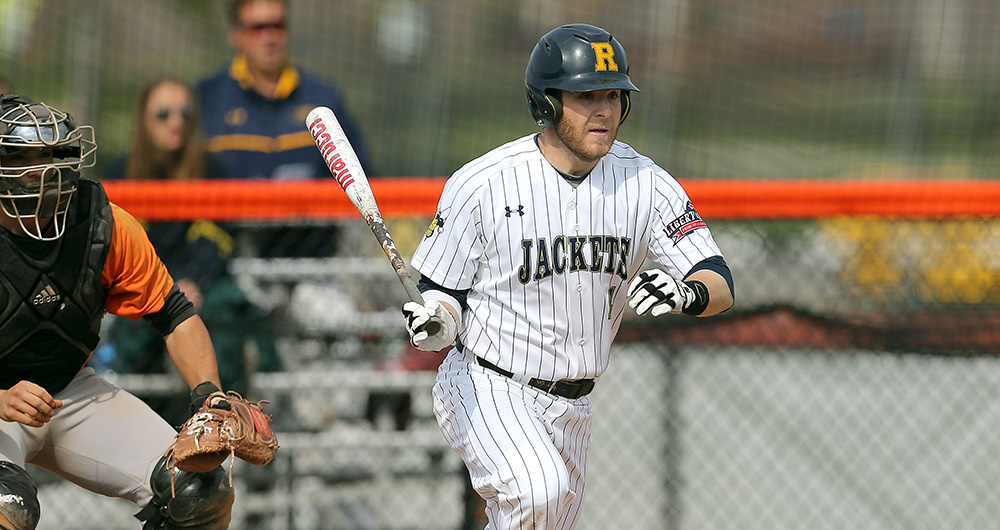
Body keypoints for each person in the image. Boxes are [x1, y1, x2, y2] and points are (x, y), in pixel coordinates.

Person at [401, 24, 735, 529]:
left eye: (613, 95)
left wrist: (687, 292)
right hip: (489, 384)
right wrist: (437, 321)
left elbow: (719, 281)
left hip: (576, 406)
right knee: (539, 490)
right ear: (547, 103)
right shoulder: (483, 182)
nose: (603, 110)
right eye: (584, 96)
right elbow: (443, 294)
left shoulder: (645, 183)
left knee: (544, 513)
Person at [0, 94, 235, 529]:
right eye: (25, 158)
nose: (44, 171)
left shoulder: (100, 222)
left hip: (68, 389)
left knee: (201, 495)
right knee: (6, 509)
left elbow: (175, 314)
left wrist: (211, 398)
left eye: (53, 156)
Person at [103, 76, 281, 425]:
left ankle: (227, 423)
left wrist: (192, 281)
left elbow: (215, 238)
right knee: (133, 326)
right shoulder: (122, 172)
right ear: (143, 120)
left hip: (203, 282)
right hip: (146, 282)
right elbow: (126, 244)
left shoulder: (212, 170)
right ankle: (144, 427)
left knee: (224, 311)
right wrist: (165, 287)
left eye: (185, 112)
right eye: (163, 114)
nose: (176, 122)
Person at [195, 0, 370, 257]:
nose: (270, 37)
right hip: (230, 260)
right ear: (236, 35)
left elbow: (362, 176)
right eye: (258, 28)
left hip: (313, 260)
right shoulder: (206, 98)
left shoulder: (324, 98)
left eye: (277, 26)